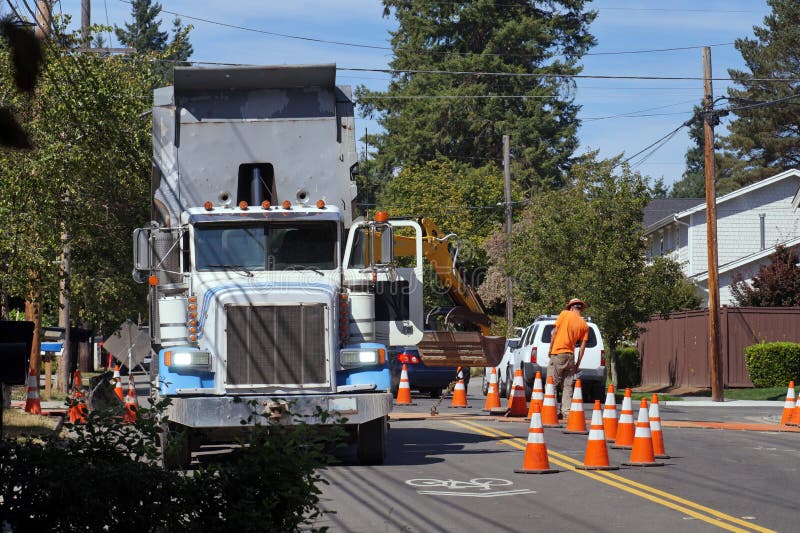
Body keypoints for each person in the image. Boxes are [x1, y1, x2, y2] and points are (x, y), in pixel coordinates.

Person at [547, 298, 589, 419]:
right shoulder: (584, 325)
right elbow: (582, 348)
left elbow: (555, 333)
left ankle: (552, 411)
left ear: (570, 307)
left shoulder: (564, 314)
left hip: (558, 353)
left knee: (552, 383)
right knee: (567, 385)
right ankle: (566, 412)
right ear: (581, 309)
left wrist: (550, 349)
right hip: (570, 356)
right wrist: (577, 364)